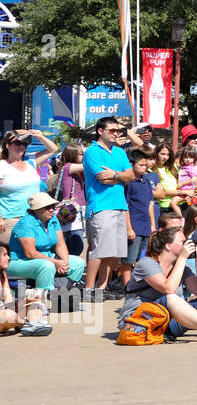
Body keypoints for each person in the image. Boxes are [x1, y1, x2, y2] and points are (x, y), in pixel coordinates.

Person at [8, 192, 87, 320]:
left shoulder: (53, 219)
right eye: (47, 207)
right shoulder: (25, 223)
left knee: (78, 263)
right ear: (36, 210)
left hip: (46, 258)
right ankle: (40, 306)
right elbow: (30, 253)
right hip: (18, 261)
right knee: (46, 265)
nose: (51, 209)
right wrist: (56, 263)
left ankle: (63, 302)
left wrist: (64, 262)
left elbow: (60, 244)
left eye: (53, 206)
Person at [83, 116, 136, 302]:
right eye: (112, 130)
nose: (116, 134)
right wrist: (121, 176)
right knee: (98, 250)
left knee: (112, 252)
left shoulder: (120, 152)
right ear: (100, 131)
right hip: (101, 206)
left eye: (118, 131)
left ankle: (101, 288)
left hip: (119, 205)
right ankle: (89, 288)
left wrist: (115, 174)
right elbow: (102, 178)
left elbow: (131, 175)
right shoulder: (92, 151)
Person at [0, 128, 61, 230]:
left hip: (35, 216)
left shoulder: (30, 161)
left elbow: (53, 149)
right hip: (11, 219)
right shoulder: (2, 166)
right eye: (18, 143)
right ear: (7, 145)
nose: (22, 146)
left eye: (24, 144)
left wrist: (40, 136)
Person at [123, 149, 157, 272]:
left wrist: (153, 225)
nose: (144, 167)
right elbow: (125, 206)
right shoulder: (129, 183)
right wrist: (129, 228)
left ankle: (135, 284)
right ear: (131, 165)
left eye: (145, 164)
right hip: (134, 226)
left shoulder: (146, 181)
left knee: (142, 259)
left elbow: (149, 204)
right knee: (129, 259)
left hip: (146, 226)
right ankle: (125, 286)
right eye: (141, 165)